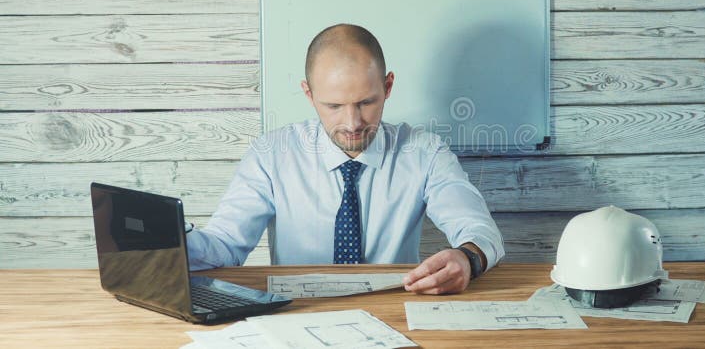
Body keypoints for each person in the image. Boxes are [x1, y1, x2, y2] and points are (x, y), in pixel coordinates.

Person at [187, 23, 504, 294]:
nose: (352, 123)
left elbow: (479, 231)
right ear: (309, 94)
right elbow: (225, 247)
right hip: (297, 313)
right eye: (334, 106)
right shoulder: (271, 155)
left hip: (394, 309)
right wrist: (173, 242)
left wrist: (468, 258)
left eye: (366, 102)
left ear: (388, 86)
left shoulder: (425, 152)